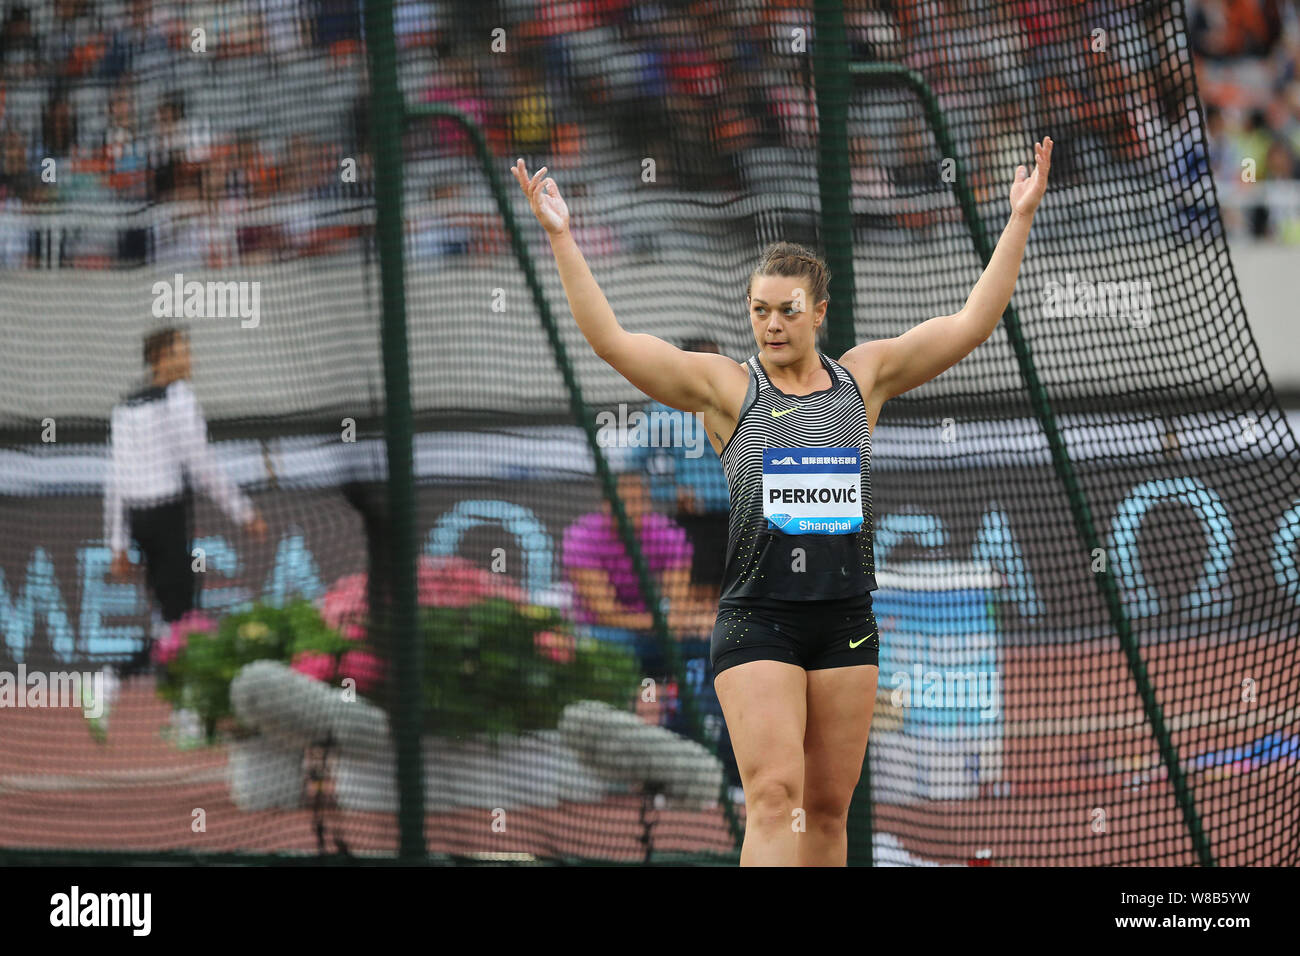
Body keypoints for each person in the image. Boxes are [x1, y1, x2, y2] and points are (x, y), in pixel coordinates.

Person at [511, 136, 1053, 865]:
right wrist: (562, 238)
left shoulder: (866, 379)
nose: (770, 325)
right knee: (773, 800)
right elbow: (611, 342)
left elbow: (970, 326)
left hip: (845, 623)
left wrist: (1017, 219)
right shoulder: (726, 389)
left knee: (827, 815)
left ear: (817, 311)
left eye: (786, 311)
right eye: (759, 311)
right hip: (757, 620)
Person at [106, 326, 267, 676]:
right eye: (183, 351)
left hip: (140, 522)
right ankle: (115, 679)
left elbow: (115, 479)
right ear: (163, 358)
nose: (190, 358)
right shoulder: (178, 398)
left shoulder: (125, 405)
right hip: (167, 516)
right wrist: (245, 512)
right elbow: (202, 465)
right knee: (182, 618)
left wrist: (118, 543)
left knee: (171, 615)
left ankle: (169, 692)